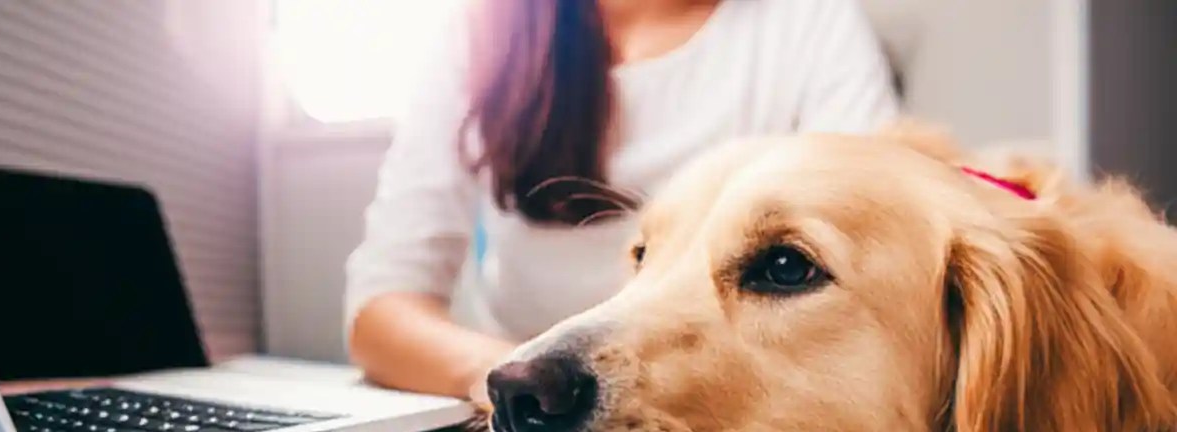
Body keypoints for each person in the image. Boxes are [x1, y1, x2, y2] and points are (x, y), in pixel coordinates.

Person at [345, 0, 899, 402]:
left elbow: (879, 234)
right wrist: (527, 381)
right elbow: (382, 308)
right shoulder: (479, 29)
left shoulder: (809, 22)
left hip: (712, 419)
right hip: (531, 416)